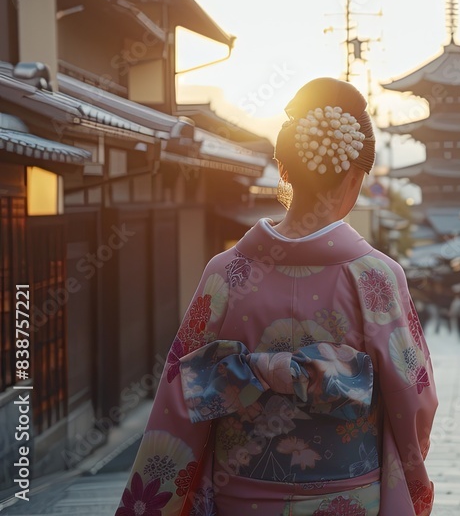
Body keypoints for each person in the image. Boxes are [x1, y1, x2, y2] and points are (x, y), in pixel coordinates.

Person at [116, 79, 438, 516]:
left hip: (241, 496)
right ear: (355, 177)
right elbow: (414, 400)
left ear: (283, 171)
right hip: (347, 498)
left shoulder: (225, 274)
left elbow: (180, 394)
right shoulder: (377, 279)